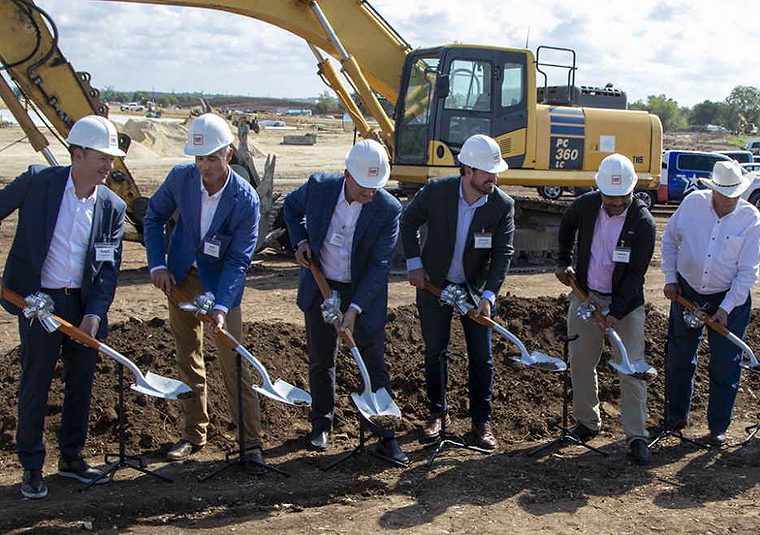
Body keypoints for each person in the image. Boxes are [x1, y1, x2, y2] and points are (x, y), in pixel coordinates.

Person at [0, 115, 126, 498]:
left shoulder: (112, 206)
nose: (108, 166)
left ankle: (71, 458)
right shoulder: (38, 182)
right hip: (38, 303)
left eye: (111, 158)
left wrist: (94, 314)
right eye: (102, 157)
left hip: (82, 307)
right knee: (35, 383)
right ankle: (31, 465)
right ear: (78, 154)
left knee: (81, 384)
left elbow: (107, 270)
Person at [143, 113, 264, 467]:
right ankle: (193, 433)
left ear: (228, 155)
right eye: (199, 158)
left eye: (212, 158)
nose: (204, 167)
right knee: (187, 356)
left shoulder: (245, 200)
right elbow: (153, 216)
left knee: (232, 360)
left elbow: (238, 260)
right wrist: (157, 264)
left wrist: (222, 307)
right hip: (181, 278)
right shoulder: (181, 179)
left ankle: (250, 443)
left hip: (221, 284)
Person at [283, 139, 406, 464]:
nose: (370, 193)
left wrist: (354, 309)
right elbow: (290, 209)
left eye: (375, 187)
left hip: (362, 291)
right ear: (347, 175)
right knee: (322, 357)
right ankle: (322, 423)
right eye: (364, 186)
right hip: (322, 283)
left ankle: (386, 436)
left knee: (373, 358)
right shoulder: (319, 188)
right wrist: (300, 241)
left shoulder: (388, 209)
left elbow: (380, 266)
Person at [400, 134, 515, 450]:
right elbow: (408, 221)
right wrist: (414, 264)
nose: (494, 178)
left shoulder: (502, 205)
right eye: (488, 172)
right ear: (468, 170)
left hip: (475, 289)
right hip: (434, 283)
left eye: (496, 173)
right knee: (435, 351)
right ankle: (438, 414)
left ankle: (481, 421)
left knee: (482, 356)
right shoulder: (437, 192)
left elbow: (503, 253)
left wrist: (488, 296)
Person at [554, 154, 656, 463]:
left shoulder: (643, 223)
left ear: (632, 190)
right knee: (581, 361)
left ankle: (637, 435)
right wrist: (563, 260)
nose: (616, 204)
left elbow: (636, 275)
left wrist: (616, 313)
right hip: (586, 296)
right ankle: (587, 421)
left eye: (622, 198)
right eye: (610, 199)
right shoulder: (586, 206)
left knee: (631, 368)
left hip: (626, 303)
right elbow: (566, 226)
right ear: (600, 191)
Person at [660, 160, 760, 446]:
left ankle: (718, 426)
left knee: (726, 363)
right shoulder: (692, 204)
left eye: (735, 195)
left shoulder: (750, 218)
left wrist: (725, 309)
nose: (730, 200)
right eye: (725, 195)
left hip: (730, 297)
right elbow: (669, 241)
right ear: (713, 190)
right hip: (688, 291)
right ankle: (675, 416)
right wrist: (670, 278)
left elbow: (748, 272)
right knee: (680, 356)